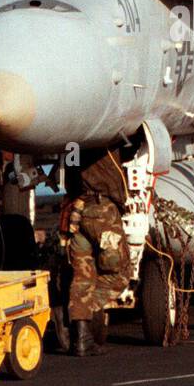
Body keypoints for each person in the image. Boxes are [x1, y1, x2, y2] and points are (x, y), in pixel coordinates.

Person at [62, 149, 134, 356]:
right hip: (102, 212)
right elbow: (132, 144)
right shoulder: (105, 140)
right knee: (120, 273)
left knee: (82, 277)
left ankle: (80, 334)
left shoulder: (70, 142)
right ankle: (81, 317)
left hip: (76, 211)